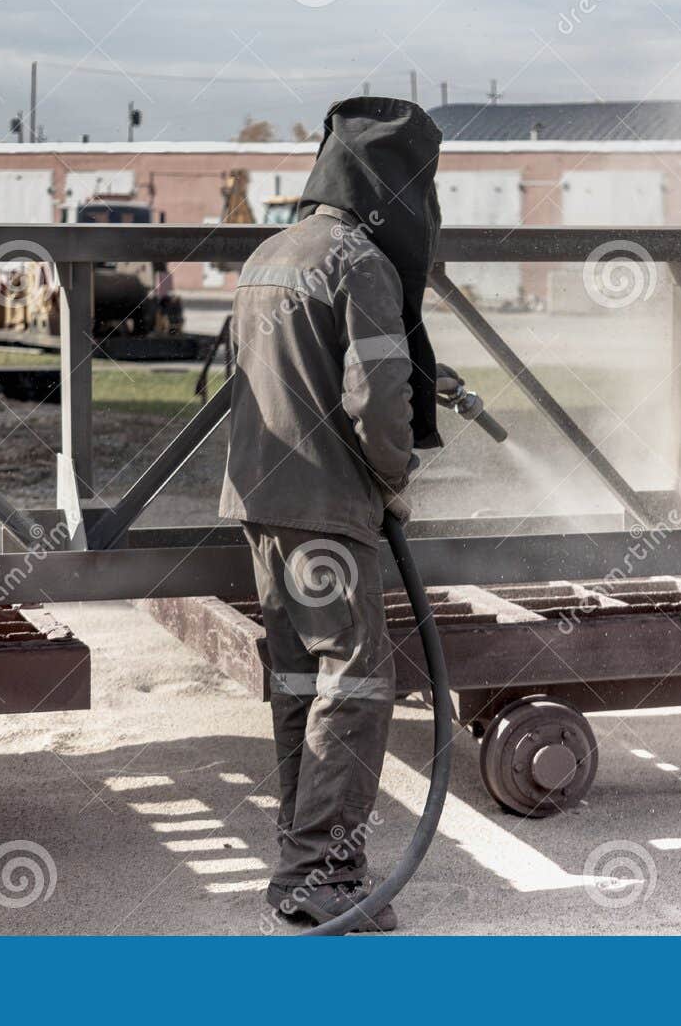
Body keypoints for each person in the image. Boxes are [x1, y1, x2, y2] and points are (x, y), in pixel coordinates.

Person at [219, 97, 443, 931]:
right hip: (328, 507)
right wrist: (392, 477)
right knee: (353, 682)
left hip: (261, 501)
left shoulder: (269, 252)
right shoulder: (360, 263)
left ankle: (298, 858)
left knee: (298, 677)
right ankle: (323, 872)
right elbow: (377, 399)